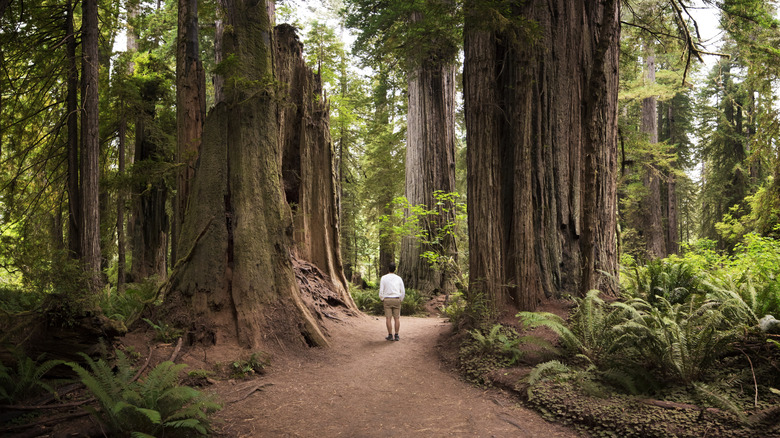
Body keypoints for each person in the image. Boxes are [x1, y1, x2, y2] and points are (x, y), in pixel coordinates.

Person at [378, 262, 405, 341]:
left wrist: (382, 299)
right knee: (397, 318)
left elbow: (381, 291)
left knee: (388, 318)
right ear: (395, 269)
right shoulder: (399, 278)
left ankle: (390, 335)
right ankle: (396, 335)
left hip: (387, 299)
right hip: (396, 299)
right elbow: (403, 291)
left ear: (388, 269)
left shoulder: (383, 278)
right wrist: (400, 299)